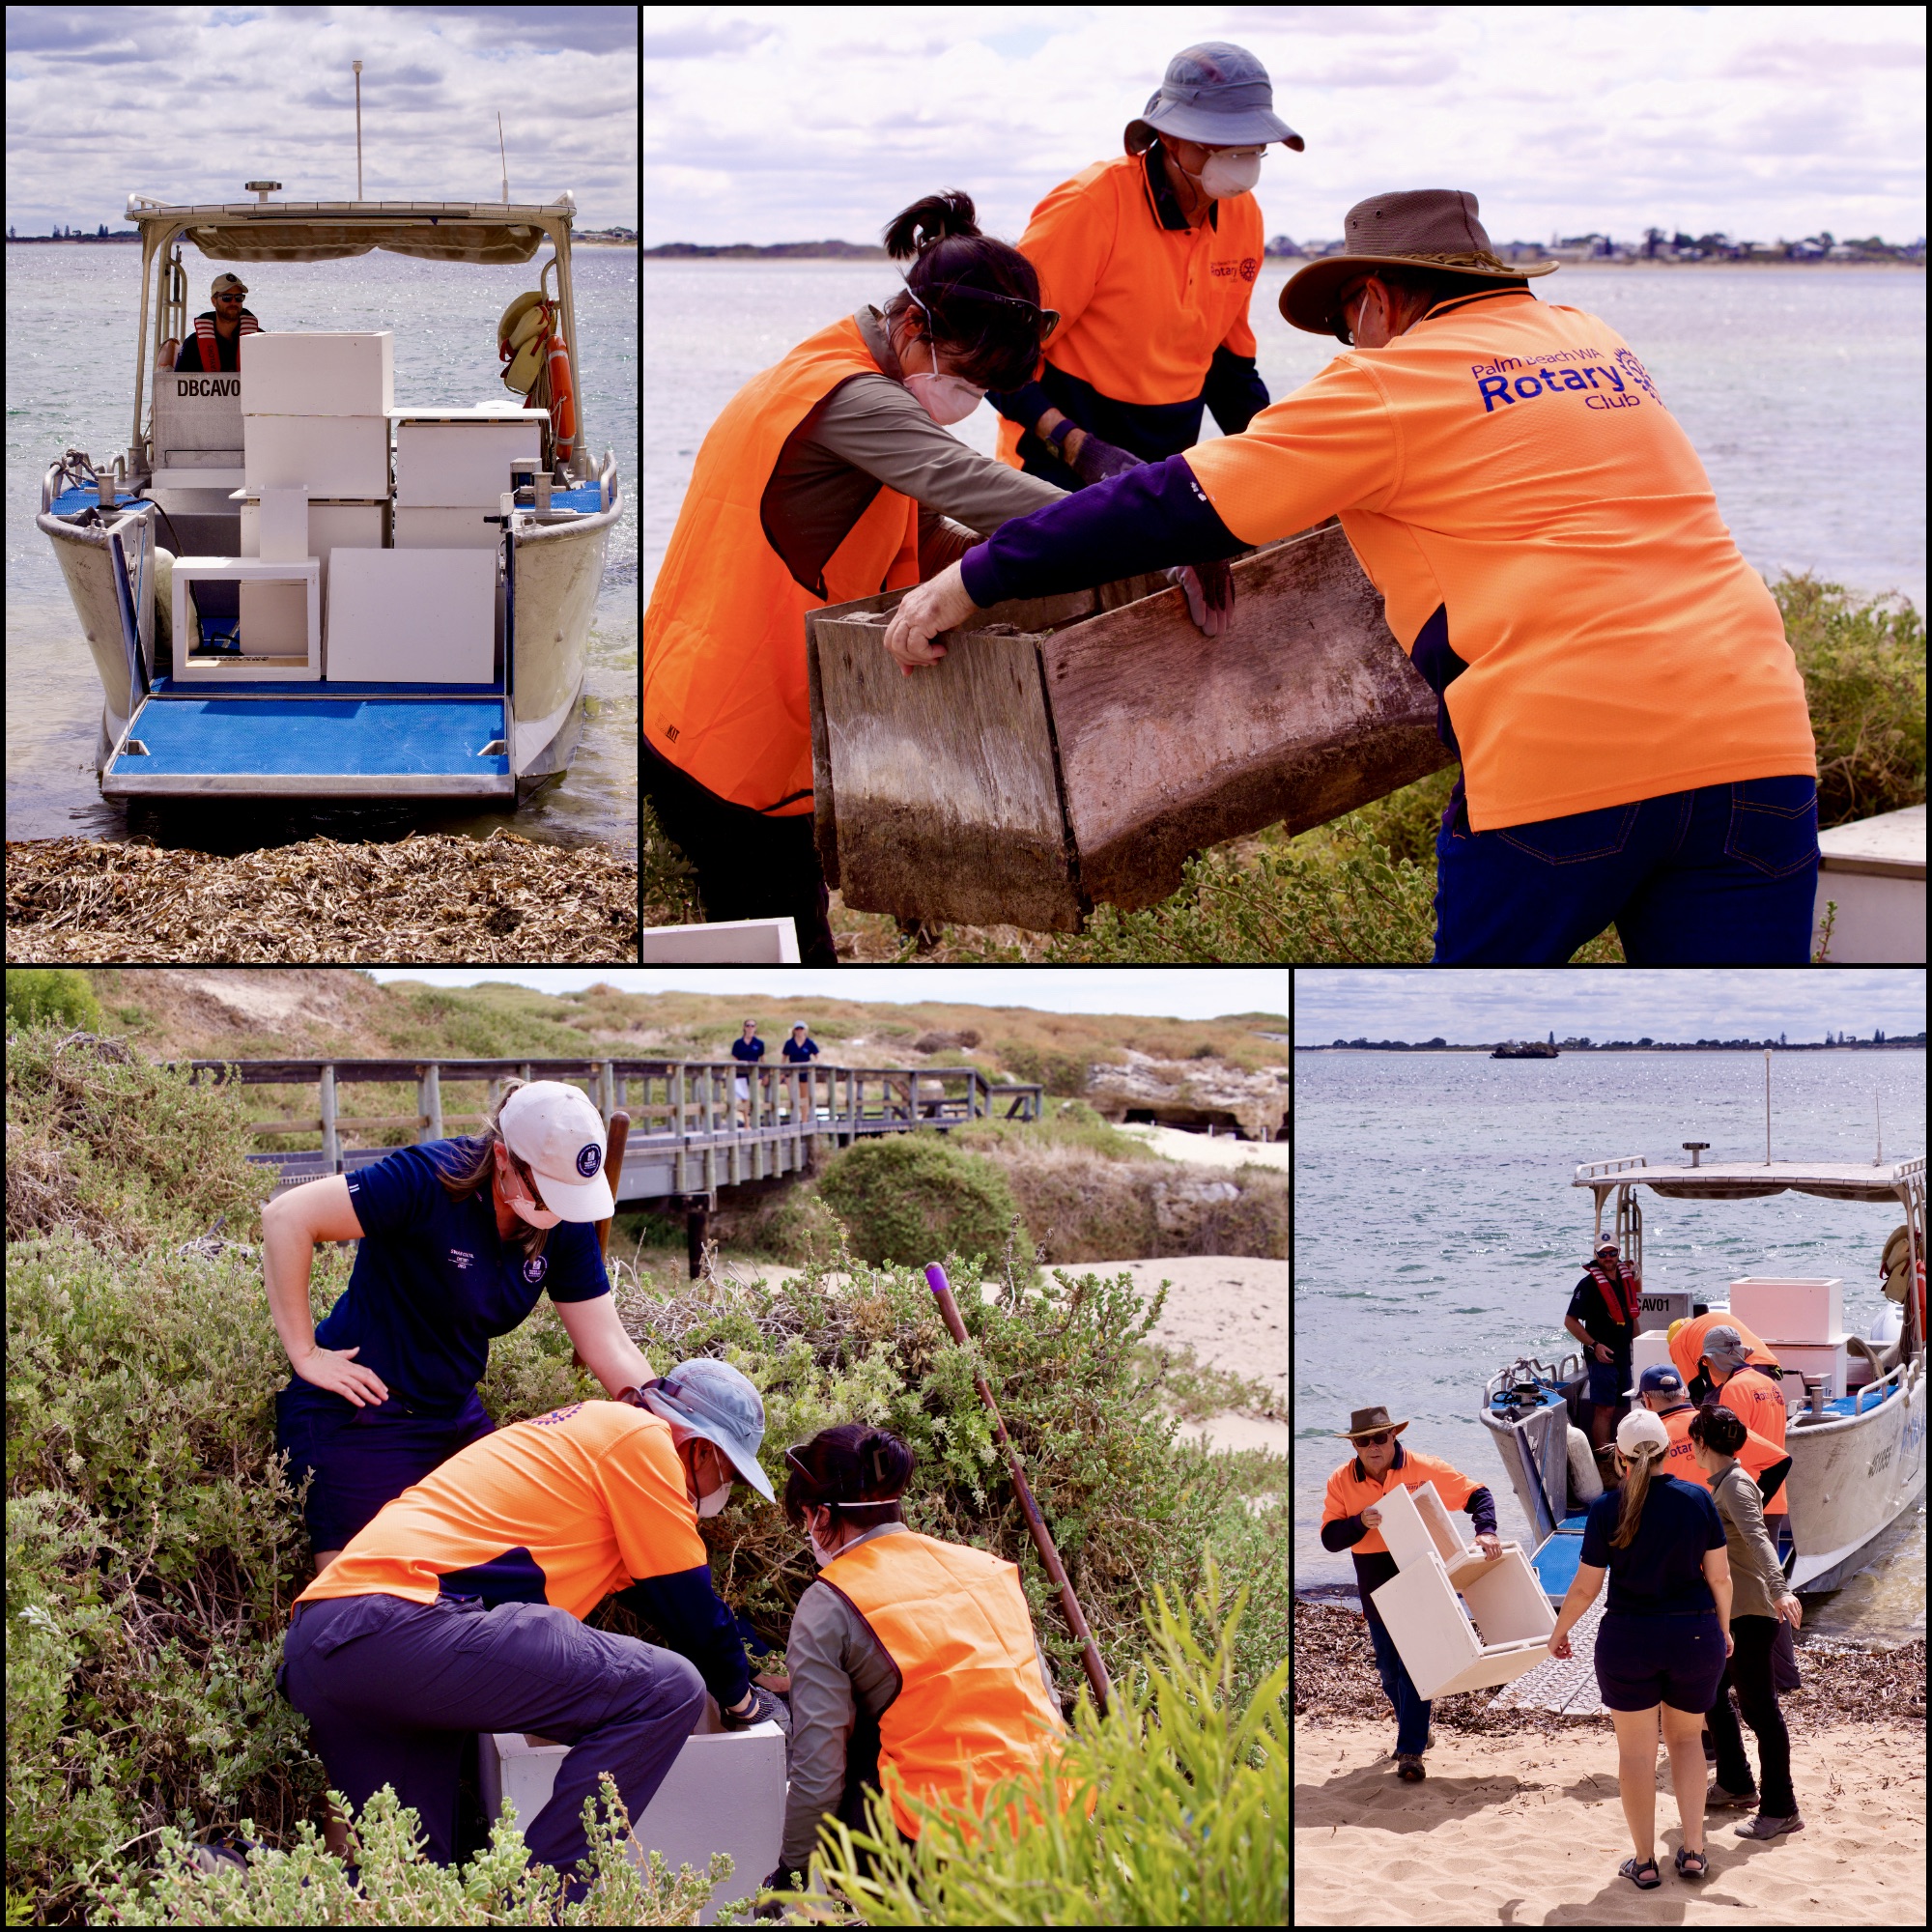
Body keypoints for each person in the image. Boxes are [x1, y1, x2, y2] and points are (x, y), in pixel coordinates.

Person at [882, 188, 1821, 965]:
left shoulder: (1386, 384)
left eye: (1342, 323)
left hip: (1568, 751)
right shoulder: (1591, 341)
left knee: (1471, 1067)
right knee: (1733, 1042)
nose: (1347, 345)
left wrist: (971, 579)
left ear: (1376, 299)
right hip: (1758, 743)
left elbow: (1164, 504)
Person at [640, 190, 1071, 964]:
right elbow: (971, 484)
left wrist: (1002, 569)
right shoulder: (853, 398)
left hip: (688, 707)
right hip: (733, 747)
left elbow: (924, 532)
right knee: (782, 959)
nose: (968, 405)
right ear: (911, 327)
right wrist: (1143, 521)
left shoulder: (828, 360)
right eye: (966, 382)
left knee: (765, 938)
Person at [281, 1359, 789, 1885]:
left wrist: (749, 1666)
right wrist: (744, 1704)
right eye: (729, 1472)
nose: (726, 1493)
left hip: (326, 1643)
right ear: (701, 1448)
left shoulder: (592, 1442)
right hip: (404, 1624)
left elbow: (678, 1608)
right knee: (666, 1691)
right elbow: (691, 1607)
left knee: (410, 1891)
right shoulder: (644, 1440)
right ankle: (540, 1907)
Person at [265, 1078, 655, 1575]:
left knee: (529, 1563)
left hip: (452, 1413)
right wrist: (305, 1352)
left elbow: (608, 1342)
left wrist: (664, 1426)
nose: (560, 1212)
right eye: (549, 1194)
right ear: (503, 1158)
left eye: (572, 1198)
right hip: (360, 1411)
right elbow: (286, 1218)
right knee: (357, 1593)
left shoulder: (563, 1215)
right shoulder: (427, 1178)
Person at [763, 1424, 1065, 1892]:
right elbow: (1047, 1702)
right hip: (1052, 1818)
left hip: (943, 1841)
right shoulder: (986, 1567)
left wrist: (791, 1874)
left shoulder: (831, 1600)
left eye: (805, 1517)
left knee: (853, 1749)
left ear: (821, 1514)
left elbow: (819, 1771)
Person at [987, 42, 1300, 490]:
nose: (1239, 157)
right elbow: (990, 353)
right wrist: (1076, 445)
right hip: (1052, 460)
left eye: (1251, 145)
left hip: (1159, 467)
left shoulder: (1244, 215)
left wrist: (1281, 464)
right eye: (1220, 141)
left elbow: (1230, 371)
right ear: (1169, 137)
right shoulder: (1090, 207)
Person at [1546, 1408, 1732, 1889]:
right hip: (1693, 1635)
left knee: (1635, 1753)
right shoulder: (1697, 1499)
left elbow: (1586, 1588)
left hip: (1629, 1639)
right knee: (1688, 1741)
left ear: (1621, 1460)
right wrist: (1725, 1630)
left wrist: (1560, 1630)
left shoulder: (1608, 1508)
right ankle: (1692, 1852)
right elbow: (1720, 1577)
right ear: (1669, 1452)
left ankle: (1646, 1861)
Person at [1318, 1405, 1502, 1782]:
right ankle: (1416, 1730)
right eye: (1364, 1440)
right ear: (1354, 1445)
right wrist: (1359, 1523)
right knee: (1387, 1669)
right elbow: (1329, 1539)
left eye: (1380, 1437)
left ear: (1394, 1436)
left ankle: (1411, 1752)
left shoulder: (1423, 1467)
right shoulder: (1341, 1480)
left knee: (1414, 1667)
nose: (1373, 1446)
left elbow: (1478, 1495)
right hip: (1374, 1576)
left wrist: (1486, 1531)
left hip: (1420, 1569)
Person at [1689, 1405, 1805, 1842]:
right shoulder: (1723, 1482)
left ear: (1702, 1443)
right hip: (1731, 1611)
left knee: (1762, 1712)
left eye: (1693, 1440)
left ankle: (1782, 1808)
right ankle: (1736, 1783)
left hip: (1752, 1612)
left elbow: (1758, 1537)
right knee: (1712, 1693)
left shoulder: (1734, 1484)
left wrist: (1780, 1589)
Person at [1626, 1366, 1791, 1529]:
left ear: (1646, 1400)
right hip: (1721, 1533)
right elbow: (1779, 1462)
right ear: (1683, 1393)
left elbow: (1635, 1497)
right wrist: (1748, 1513)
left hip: (1674, 1535)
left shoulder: (1645, 1438)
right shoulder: (1715, 1423)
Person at [1564, 1236, 1641, 1450]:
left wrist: (1640, 1345)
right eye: (1603, 1254)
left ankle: (1624, 1456)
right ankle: (1604, 1460)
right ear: (1595, 1255)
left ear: (1618, 1253)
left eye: (1612, 1253)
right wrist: (1594, 1345)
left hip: (1624, 1355)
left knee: (1627, 1406)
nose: (1608, 1258)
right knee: (1604, 1409)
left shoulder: (1626, 1279)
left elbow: (1633, 1314)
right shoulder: (1587, 1285)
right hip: (1601, 1356)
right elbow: (1570, 1321)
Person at [1670, 1310, 1780, 1398]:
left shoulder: (1677, 1341)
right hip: (1766, 1364)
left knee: (1713, 1414)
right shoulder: (1706, 1321)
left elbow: (1695, 1386)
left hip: (1732, 1371)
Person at [170, 272, 263, 373]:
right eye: (226, 297)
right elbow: (179, 384)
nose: (233, 302)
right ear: (213, 301)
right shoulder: (193, 344)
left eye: (238, 297)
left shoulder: (261, 339)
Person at [731, 1019, 767, 1127]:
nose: (750, 1028)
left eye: (752, 1026)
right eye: (748, 1025)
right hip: (741, 1074)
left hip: (755, 1074)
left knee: (754, 1096)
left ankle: (755, 1121)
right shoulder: (738, 1043)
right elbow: (734, 1059)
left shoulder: (759, 1043)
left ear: (755, 1028)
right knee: (744, 1099)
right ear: (744, 1027)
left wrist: (765, 1074)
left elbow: (763, 1059)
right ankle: (747, 1123)